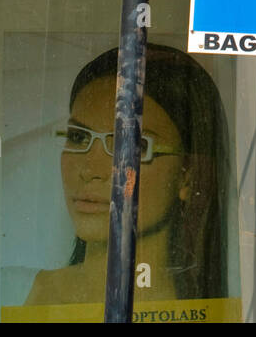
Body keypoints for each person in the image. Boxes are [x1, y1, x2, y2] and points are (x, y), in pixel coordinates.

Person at [25, 44, 228, 306]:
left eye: (129, 145)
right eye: (78, 137)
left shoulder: (210, 309)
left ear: (187, 176)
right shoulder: (32, 292)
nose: (90, 171)